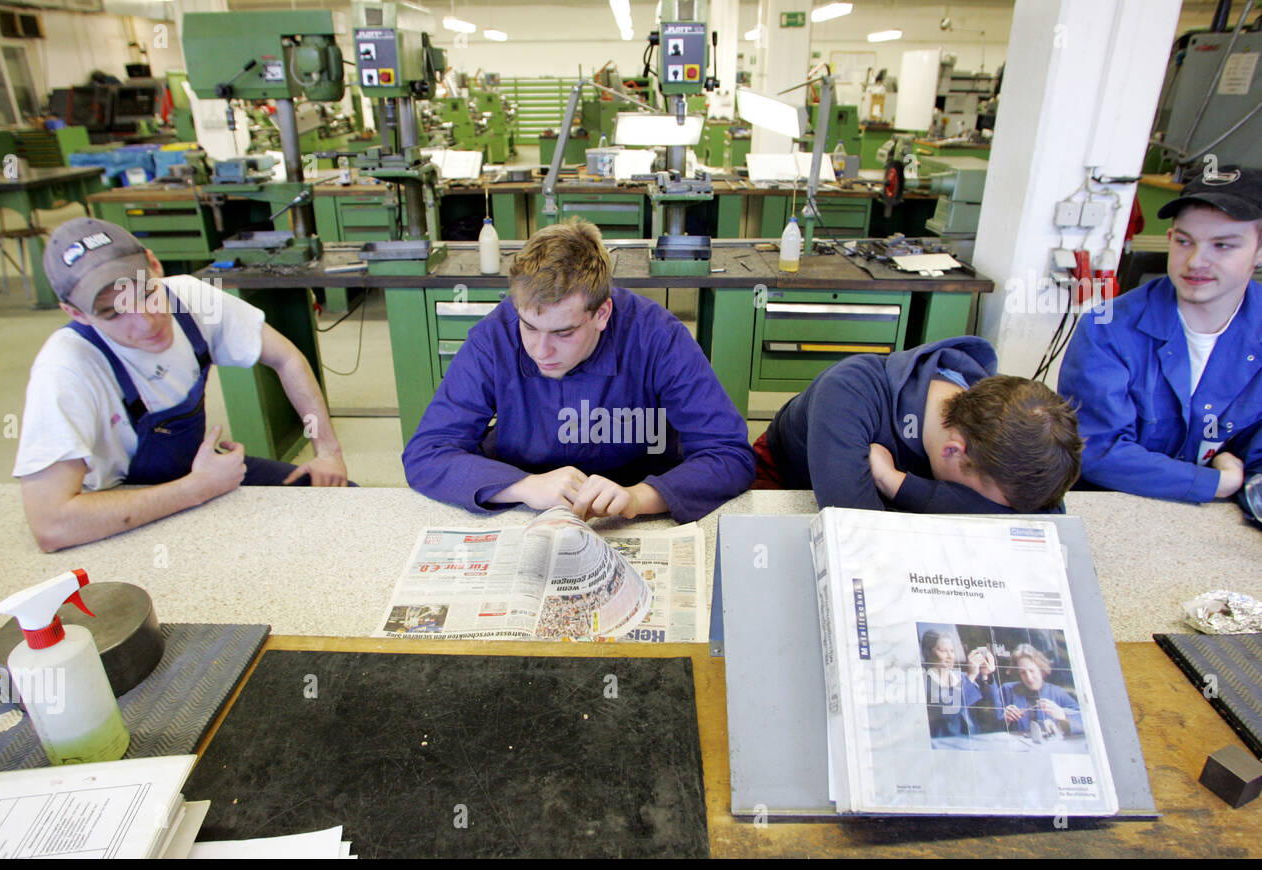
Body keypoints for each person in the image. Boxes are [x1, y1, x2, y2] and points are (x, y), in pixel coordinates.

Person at [15, 217, 350, 552]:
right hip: (117, 511)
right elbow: (51, 525)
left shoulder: (190, 299)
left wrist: (328, 452)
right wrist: (197, 489)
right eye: (114, 314)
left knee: (343, 501)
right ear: (75, 313)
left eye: (147, 293)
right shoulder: (64, 370)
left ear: (154, 264)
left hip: (198, 473)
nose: (146, 323)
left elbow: (286, 358)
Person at [401, 219, 755, 523]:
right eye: (529, 327)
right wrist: (525, 486)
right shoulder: (494, 337)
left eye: (563, 333)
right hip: (527, 508)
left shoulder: (657, 336)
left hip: (637, 506)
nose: (541, 351)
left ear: (602, 314)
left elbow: (729, 454)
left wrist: (638, 498)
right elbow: (427, 452)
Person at [1058, 164, 1262, 503]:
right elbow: (1098, 450)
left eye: (1223, 246)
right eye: (1185, 241)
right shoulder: (1105, 329)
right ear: (1170, 239)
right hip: (1119, 510)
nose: (1196, 261)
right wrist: (1215, 483)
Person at [753, 337, 1083, 513]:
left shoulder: (1004, 425)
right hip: (787, 485)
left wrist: (897, 484)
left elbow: (1047, 524)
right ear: (954, 450)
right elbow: (860, 534)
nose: (994, 510)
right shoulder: (849, 392)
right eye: (996, 504)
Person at [920, 629, 1000, 739]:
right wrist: (971, 677)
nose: (950, 656)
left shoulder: (962, 677)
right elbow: (950, 710)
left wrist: (986, 676)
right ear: (927, 652)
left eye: (952, 651)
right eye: (943, 651)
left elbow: (994, 714)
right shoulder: (923, 682)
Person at [997, 643, 1083, 737]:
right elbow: (988, 727)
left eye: (1032, 670)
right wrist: (1005, 720)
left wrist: (1063, 715)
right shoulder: (1007, 690)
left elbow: (1086, 720)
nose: (1029, 677)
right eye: (1023, 672)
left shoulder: (1057, 693)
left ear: (1041, 669)